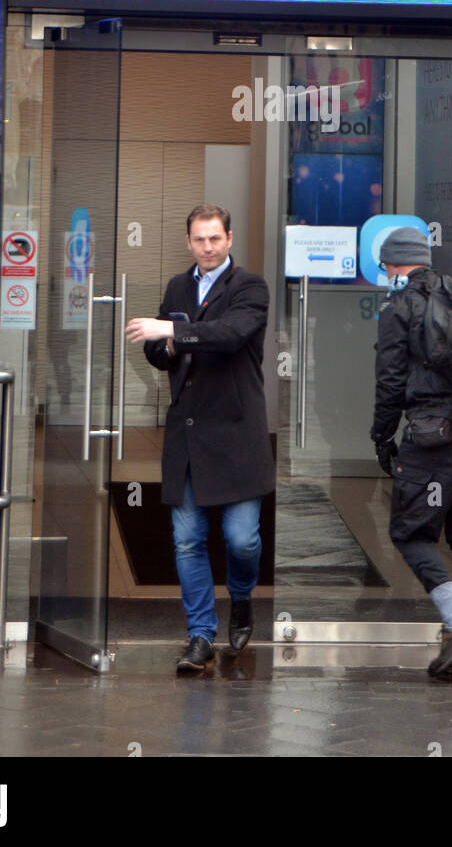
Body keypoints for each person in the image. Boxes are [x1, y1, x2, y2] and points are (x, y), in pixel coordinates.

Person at [126, 205, 274, 672]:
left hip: (237, 435)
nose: (207, 247)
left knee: (242, 541)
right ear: (188, 241)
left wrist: (172, 330)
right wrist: (162, 345)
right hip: (188, 434)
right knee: (188, 541)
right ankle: (201, 636)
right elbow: (157, 351)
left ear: (229, 239)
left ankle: (244, 598)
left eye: (215, 238)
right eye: (198, 239)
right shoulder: (177, 286)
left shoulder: (250, 287)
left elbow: (229, 335)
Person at [371, 226, 452, 679]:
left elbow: (390, 382)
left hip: (433, 436)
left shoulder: (399, 307)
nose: (386, 272)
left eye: (386, 265)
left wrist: (382, 436)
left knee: (410, 533)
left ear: (393, 264)